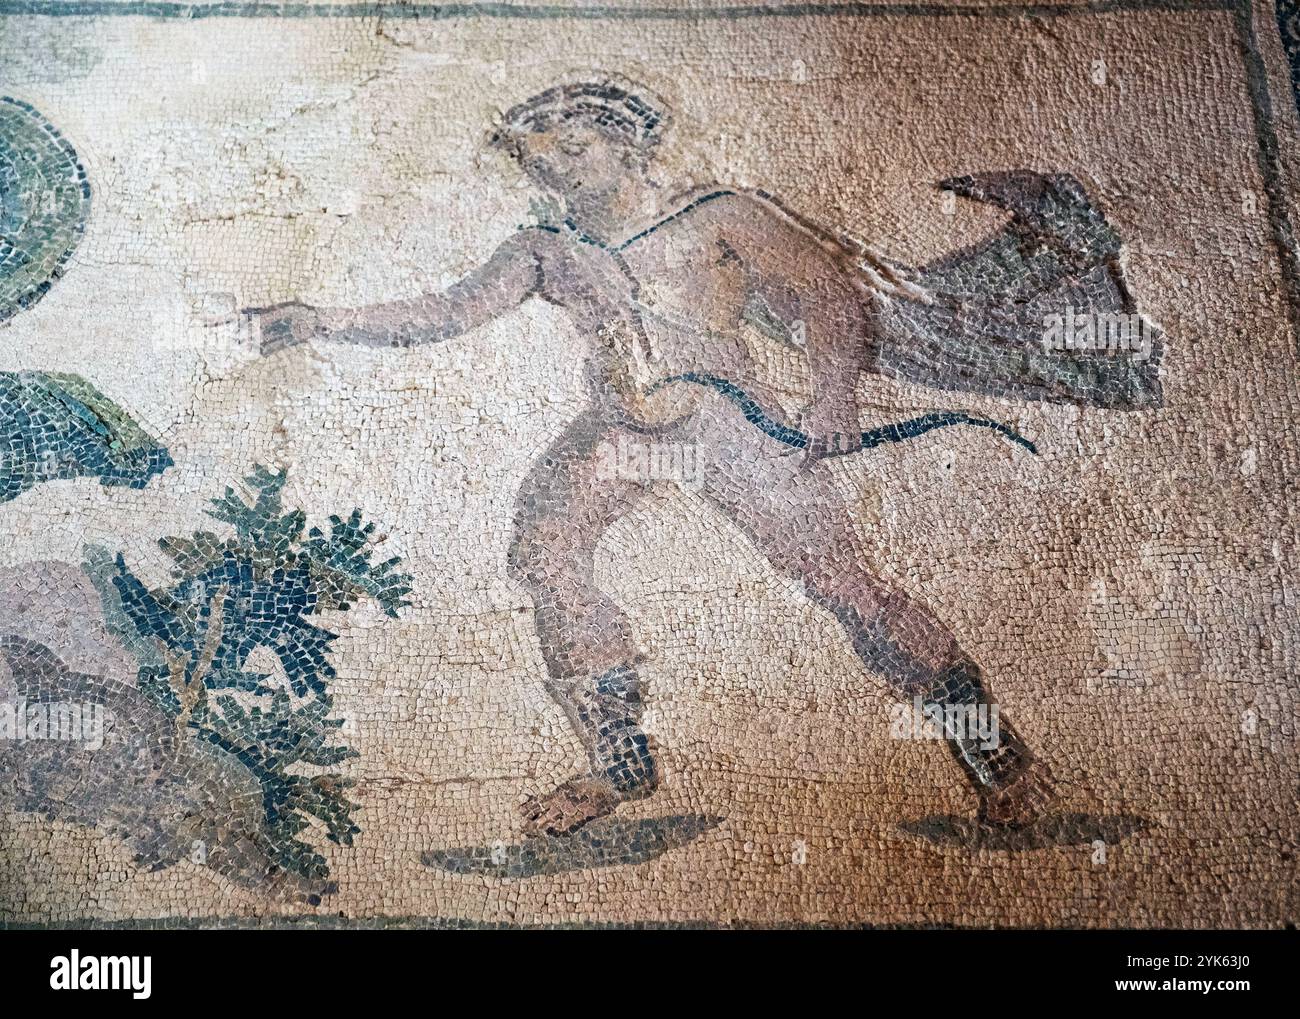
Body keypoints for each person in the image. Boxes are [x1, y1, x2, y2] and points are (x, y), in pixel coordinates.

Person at [248, 79, 1161, 836]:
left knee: (848, 589)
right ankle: (618, 760)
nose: (559, 171)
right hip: (622, 430)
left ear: (628, 145)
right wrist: (322, 321)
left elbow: (829, 294)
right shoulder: (544, 248)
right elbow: (446, 313)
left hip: (729, 423)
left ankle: (996, 760)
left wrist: (835, 391)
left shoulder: (717, 214)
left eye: (576, 149)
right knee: (546, 550)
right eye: (540, 157)